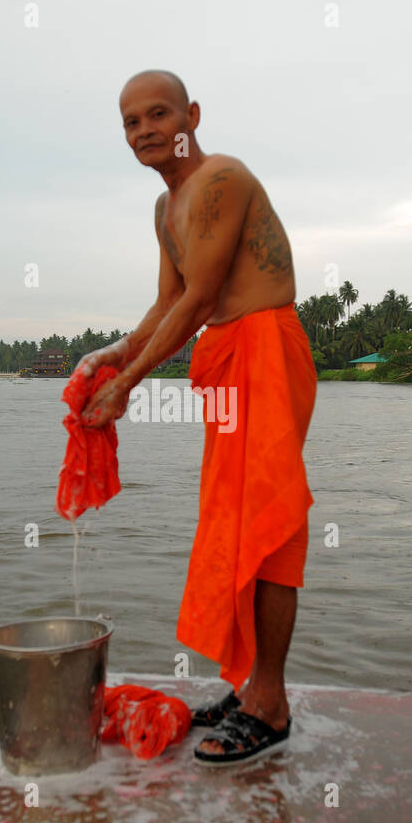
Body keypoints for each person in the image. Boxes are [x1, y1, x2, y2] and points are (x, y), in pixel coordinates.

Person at [76, 70, 317, 764]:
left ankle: (268, 705)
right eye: (130, 122)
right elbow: (166, 304)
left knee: (269, 527)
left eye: (158, 114)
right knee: (234, 523)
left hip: (265, 351)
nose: (145, 130)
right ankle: (247, 689)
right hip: (228, 365)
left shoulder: (220, 179)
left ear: (191, 115)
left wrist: (128, 386)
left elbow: (201, 298)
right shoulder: (165, 208)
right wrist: (110, 355)